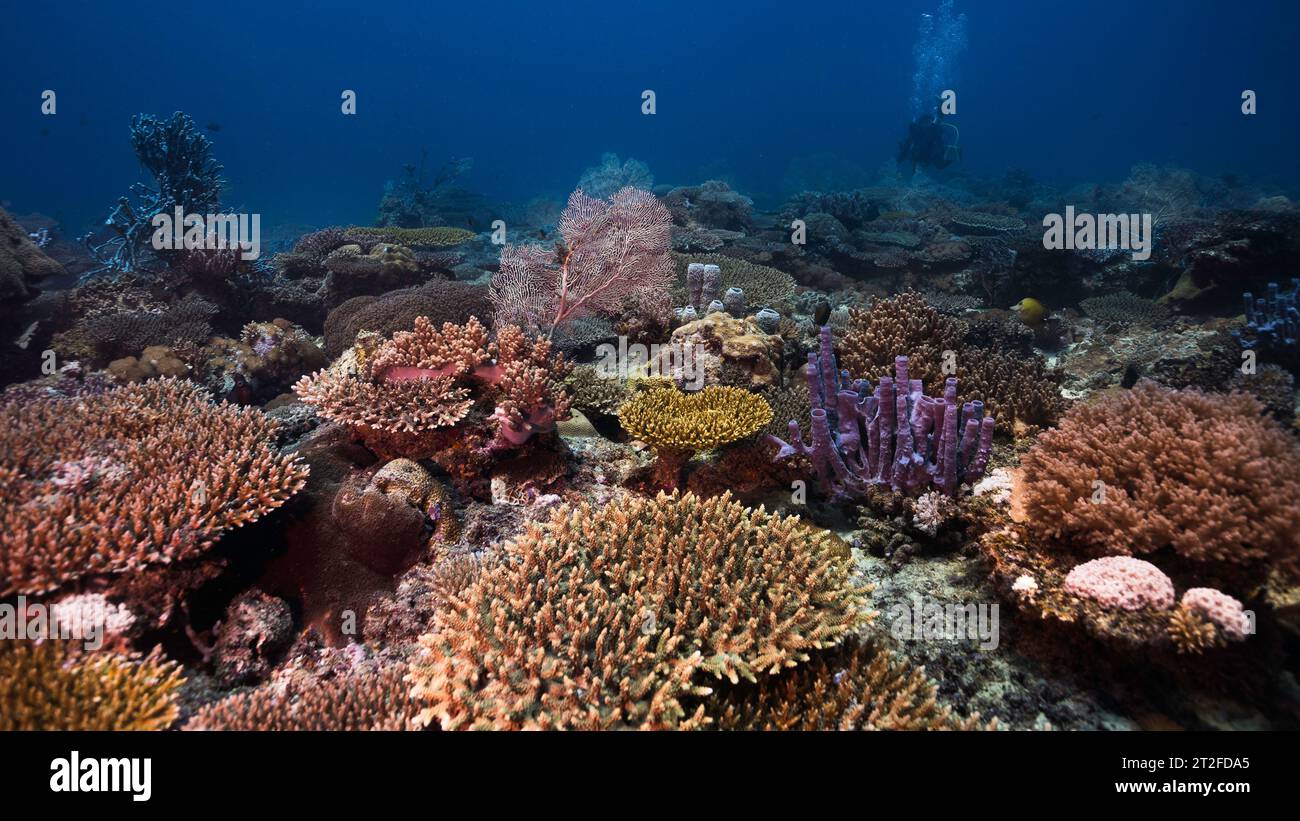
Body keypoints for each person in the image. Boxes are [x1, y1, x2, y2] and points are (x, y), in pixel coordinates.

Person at [897, 98, 961, 176]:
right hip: (925, 154)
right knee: (939, 164)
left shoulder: (925, 133)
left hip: (926, 153)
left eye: (927, 123)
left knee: (938, 164)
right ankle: (941, 107)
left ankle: (941, 107)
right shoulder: (918, 134)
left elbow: (903, 154)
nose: (925, 126)